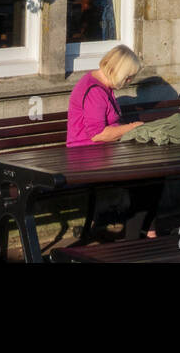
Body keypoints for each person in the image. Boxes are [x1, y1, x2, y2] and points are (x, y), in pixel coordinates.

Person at [66, 44, 159, 237]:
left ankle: (147, 230)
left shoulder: (103, 86)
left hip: (103, 152)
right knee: (148, 176)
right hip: (87, 155)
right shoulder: (95, 91)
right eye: (128, 76)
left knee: (156, 172)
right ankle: (136, 238)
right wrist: (133, 127)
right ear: (118, 70)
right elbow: (97, 134)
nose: (129, 80)